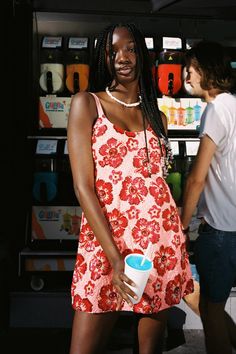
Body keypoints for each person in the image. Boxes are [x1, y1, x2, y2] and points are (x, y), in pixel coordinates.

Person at [67, 22, 194, 354]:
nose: (122, 57)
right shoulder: (86, 104)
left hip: (158, 246)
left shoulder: (157, 115)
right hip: (105, 247)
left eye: (130, 49)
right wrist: (115, 258)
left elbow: (159, 183)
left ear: (143, 55)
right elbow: (83, 187)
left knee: (150, 348)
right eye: (113, 51)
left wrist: (179, 230)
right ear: (103, 58)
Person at [181, 40, 236, 354]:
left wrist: (182, 224)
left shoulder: (215, 110)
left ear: (205, 70)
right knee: (214, 302)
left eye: (191, 69)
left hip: (219, 232)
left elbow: (196, 178)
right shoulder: (234, 105)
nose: (187, 77)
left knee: (211, 309)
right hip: (233, 228)